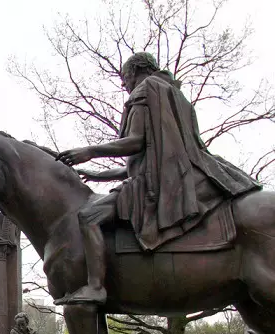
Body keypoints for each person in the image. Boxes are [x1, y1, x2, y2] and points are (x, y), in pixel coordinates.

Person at [54, 52, 260, 306]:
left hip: (152, 186)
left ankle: (96, 287)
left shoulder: (146, 89)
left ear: (136, 70)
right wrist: (98, 174)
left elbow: (135, 142)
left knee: (88, 217)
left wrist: (90, 151)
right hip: (178, 179)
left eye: (124, 76)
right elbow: (150, 157)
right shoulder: (177, 96)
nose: (124, 83)